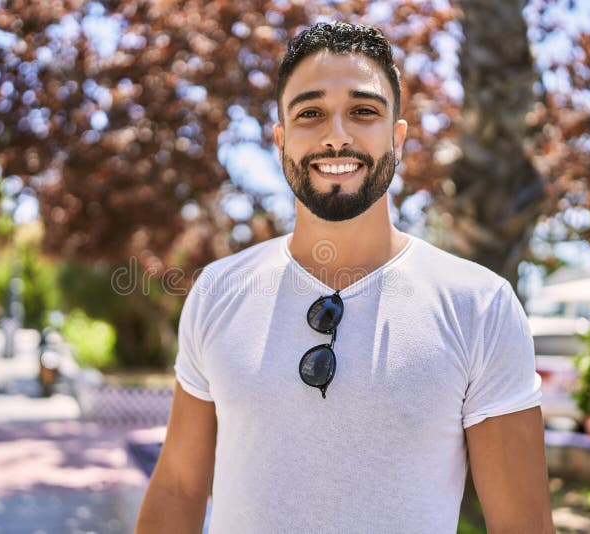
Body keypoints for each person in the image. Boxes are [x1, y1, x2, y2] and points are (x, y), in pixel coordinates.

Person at [136, 21, 554, 534]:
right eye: (311, 113)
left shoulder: (480, 306)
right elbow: (178, 488)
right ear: (281, 140)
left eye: (363, 111)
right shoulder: (218, 293)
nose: (337, 135)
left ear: (397, 137)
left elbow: (523, 525)